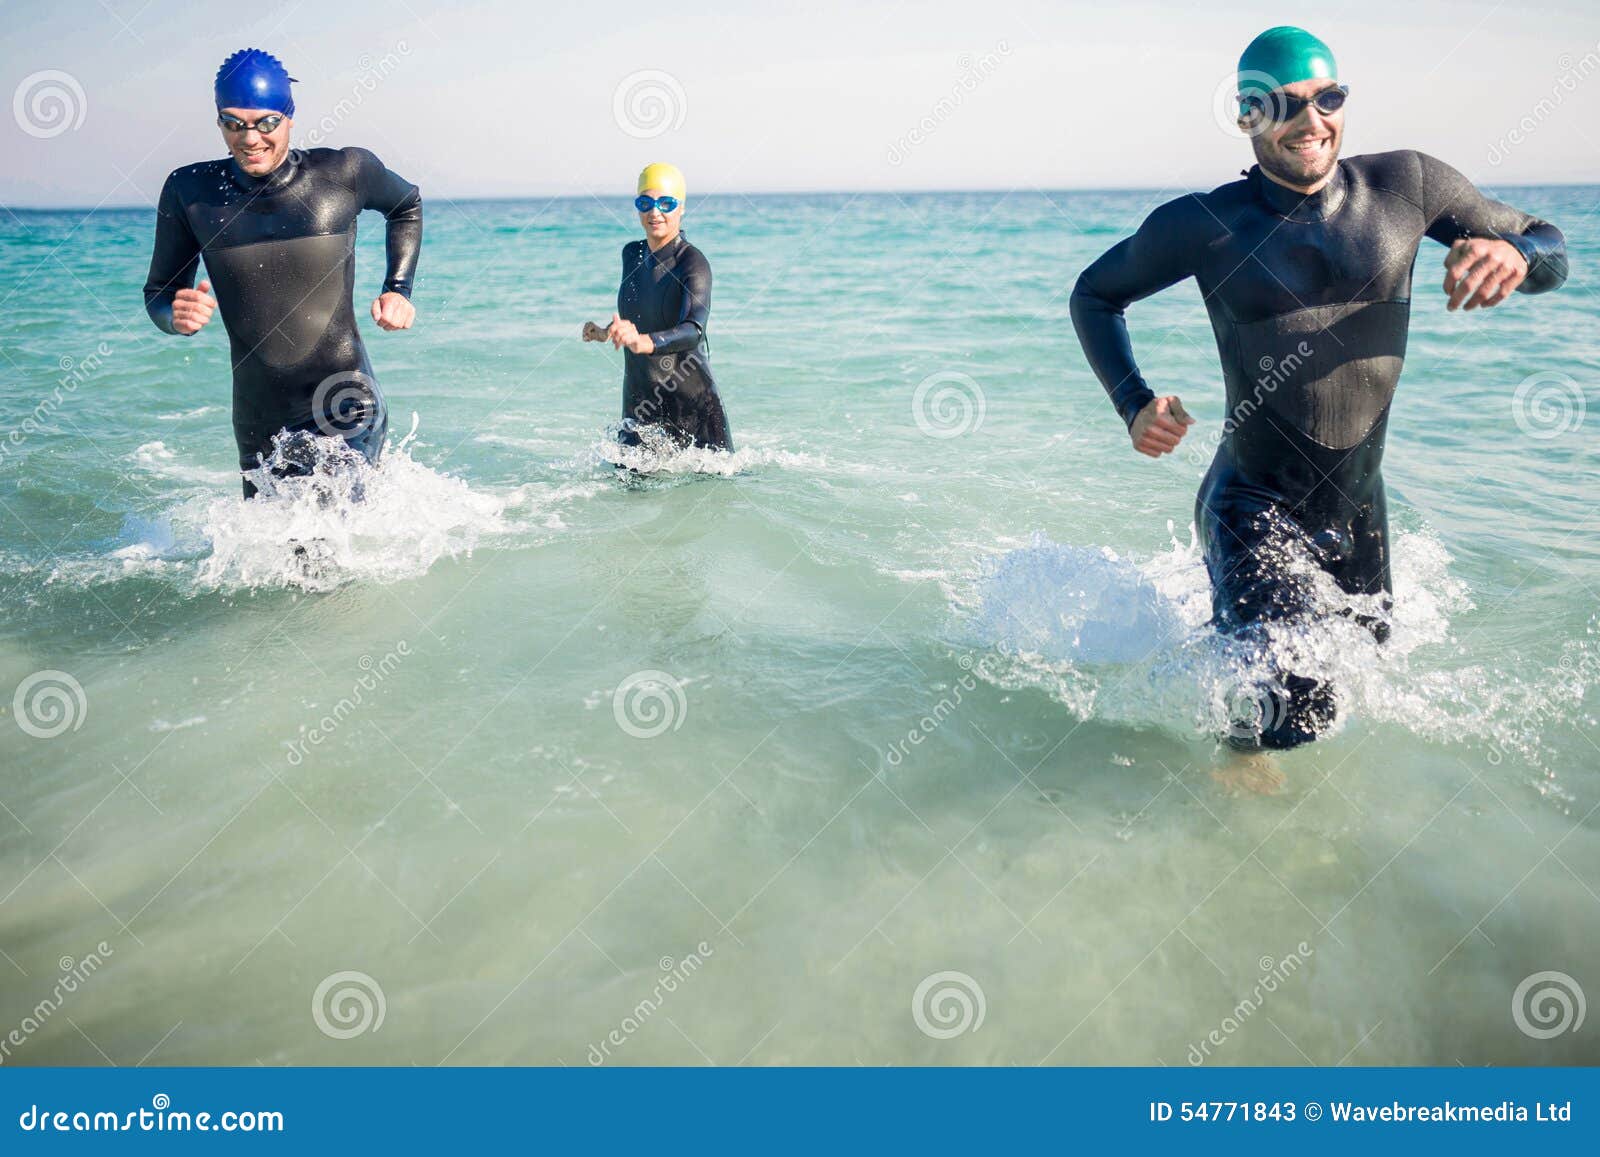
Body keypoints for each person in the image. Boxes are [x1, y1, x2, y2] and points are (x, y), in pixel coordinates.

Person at [1070, 26, 1567, 755]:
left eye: (1328, 98)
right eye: (1286, 106)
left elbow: (1552, 244)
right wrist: (1132, 402)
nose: (1312, 122)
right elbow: (1094, 294)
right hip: (1251, 502)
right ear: (1247, 118)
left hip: (1358, 503)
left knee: (1364, 671)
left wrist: (1517, 253)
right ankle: (1238, 793)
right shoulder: (1206, 225)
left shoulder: (1407, 187)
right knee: (1294, 702)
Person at [143, 48, 422, 498]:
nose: (249, 138)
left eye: (266, 123)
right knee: (272, 561)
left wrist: (398, 289)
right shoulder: (190, 192)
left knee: (322, 538)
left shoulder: (344, 172)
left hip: (345, 399)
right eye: (233, 123)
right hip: (258, 418)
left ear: (289, 117)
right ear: (218, 121)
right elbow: (159, 291)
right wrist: (173, 316)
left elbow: (405, 205)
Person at [583, 162, 732, 453]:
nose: (655, 212)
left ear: (681, 207)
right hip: (641, 402)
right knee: (628, 492)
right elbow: (641, 315)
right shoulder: (631, 254)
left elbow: (693, 330)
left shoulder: (693, 263)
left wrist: (644, 342)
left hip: (692, 405)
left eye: (666, 203)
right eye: (645, 202)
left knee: (714, 494)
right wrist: (607, 333)